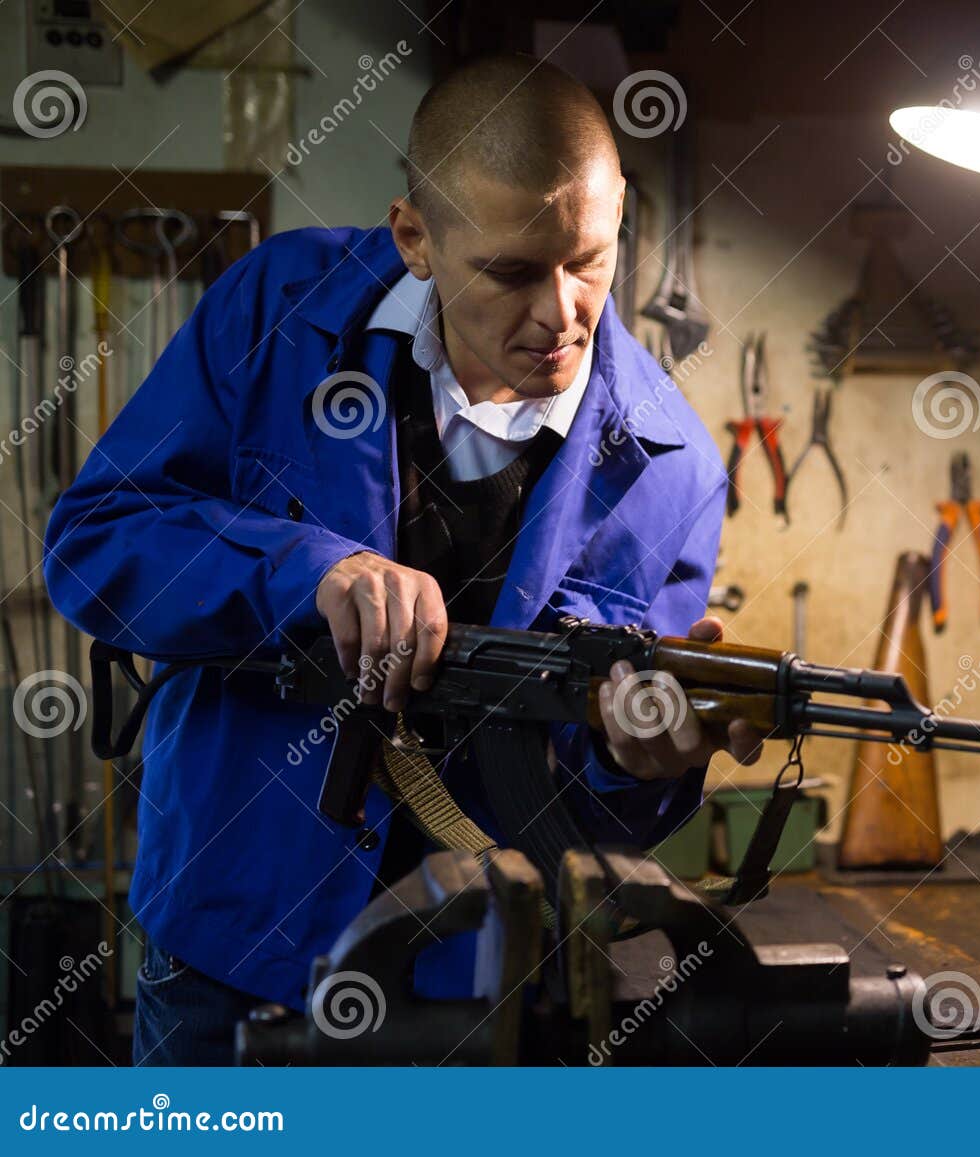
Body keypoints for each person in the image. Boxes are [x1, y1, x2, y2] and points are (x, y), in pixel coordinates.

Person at [43, 55, 761, 1065]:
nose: (561, 314)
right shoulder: (274, 311)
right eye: (511, 271)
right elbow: (99, 541)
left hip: (487, 979)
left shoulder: (671, 469)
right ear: (415, 237)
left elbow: (605, 815)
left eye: (589, 259)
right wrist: (308, 571)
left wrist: (645, 757)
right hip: (238, 938)